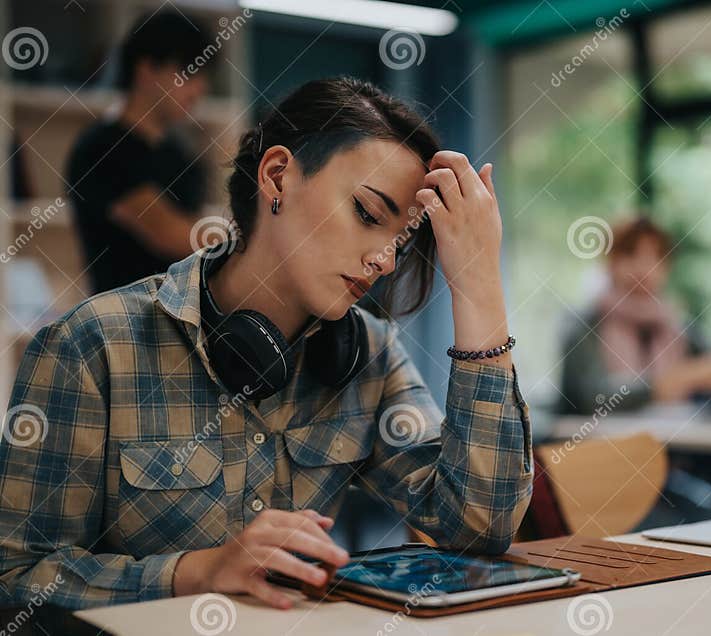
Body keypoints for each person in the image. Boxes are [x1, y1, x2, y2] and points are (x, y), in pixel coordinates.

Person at [0, 77, 532, 611]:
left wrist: (480, 286)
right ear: (277, 176)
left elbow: (478, 528)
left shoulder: (369, 354)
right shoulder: (90, 346)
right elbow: (15, 577)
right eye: (368, 215)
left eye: (402, 238)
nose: (386, 260)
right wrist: (200, 571)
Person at [559, 216, 711, 414]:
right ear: (610, 262)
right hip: (601, 448)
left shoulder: (676, 326)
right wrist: (667, 384)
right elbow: (587, 399)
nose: (644, 269)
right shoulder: (583, 324)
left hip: (677, 445)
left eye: (656, 257)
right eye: (631, 254)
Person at [67, 10, 212, 293]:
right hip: (121, 323)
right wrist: (244, 238)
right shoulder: (101, 148)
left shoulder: (181, 156)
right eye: (188, 72)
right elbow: (167, 233)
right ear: (146, 70)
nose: (199, 88)